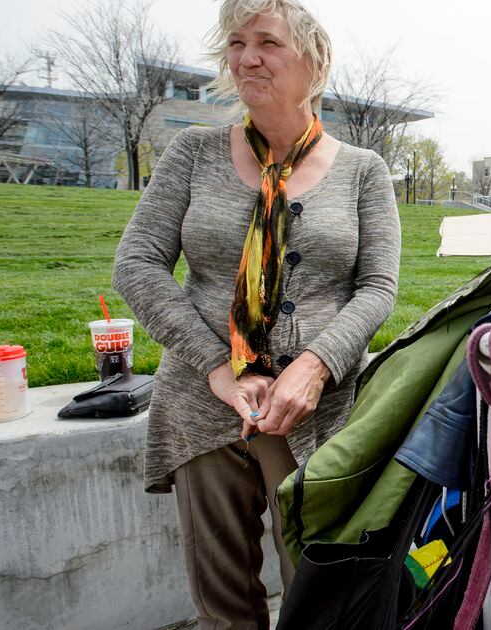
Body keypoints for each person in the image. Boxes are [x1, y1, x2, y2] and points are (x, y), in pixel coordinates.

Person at [112, 0, 400, 625]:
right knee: (223, 602)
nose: (246, 57)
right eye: (236, 43)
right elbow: (136, 265)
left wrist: (315, 367)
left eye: (267, 42)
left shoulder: (362, 172)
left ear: (315, 62)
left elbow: (377, 287)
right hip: (202, 403)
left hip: (318, 410)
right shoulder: (193, 153)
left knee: (316, 592)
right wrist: (218, 366)